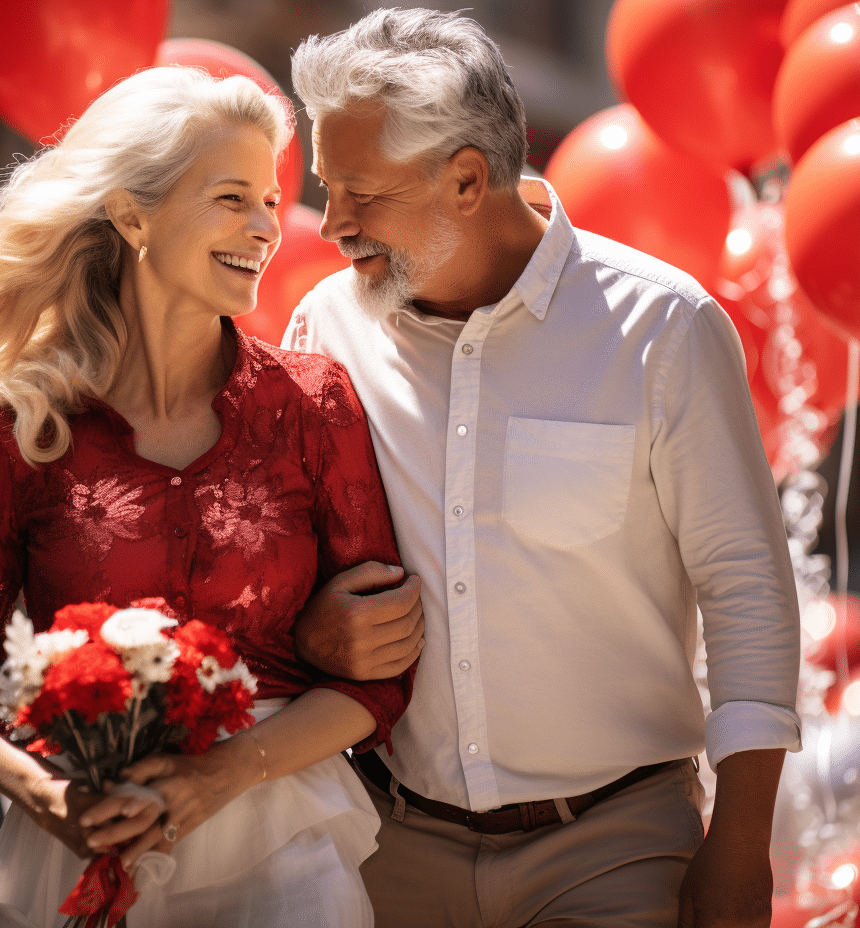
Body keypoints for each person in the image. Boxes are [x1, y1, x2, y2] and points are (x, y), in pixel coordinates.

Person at [283, 9, 801, 928]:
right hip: (386, 847)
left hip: (618, 847)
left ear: (468, 180)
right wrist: (311, 635)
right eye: (328, 188)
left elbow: (745, 588)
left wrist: (742, 845)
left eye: (361, 193)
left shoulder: (663, 330)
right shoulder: (324, 329)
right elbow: (279, 558)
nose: (333, 225)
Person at [0, 65, 416, 928]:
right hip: (80, 849)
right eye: (232, 199)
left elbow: (384, 678)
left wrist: (223, 772)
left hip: (285, 847)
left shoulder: (314, 406)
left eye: (270, 199)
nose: (266, 227)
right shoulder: (14, 424)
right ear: (131, 212)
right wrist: (47, 796)